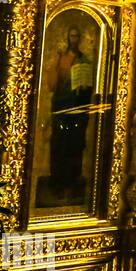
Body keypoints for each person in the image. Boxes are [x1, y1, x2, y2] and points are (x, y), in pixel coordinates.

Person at [42, 25, 94, 204]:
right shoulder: (61, 58)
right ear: (67, 38)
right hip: (60, 106)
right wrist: (58, 68)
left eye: (76, 36)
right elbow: (52, 85)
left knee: (75, 146)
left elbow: (88, 89)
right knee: (59, 146)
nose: (74, 40)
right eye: (71, 36)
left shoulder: (84, 60)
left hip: (77, 108)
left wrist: (84, 88)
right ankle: (57, 183)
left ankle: (71, 184)